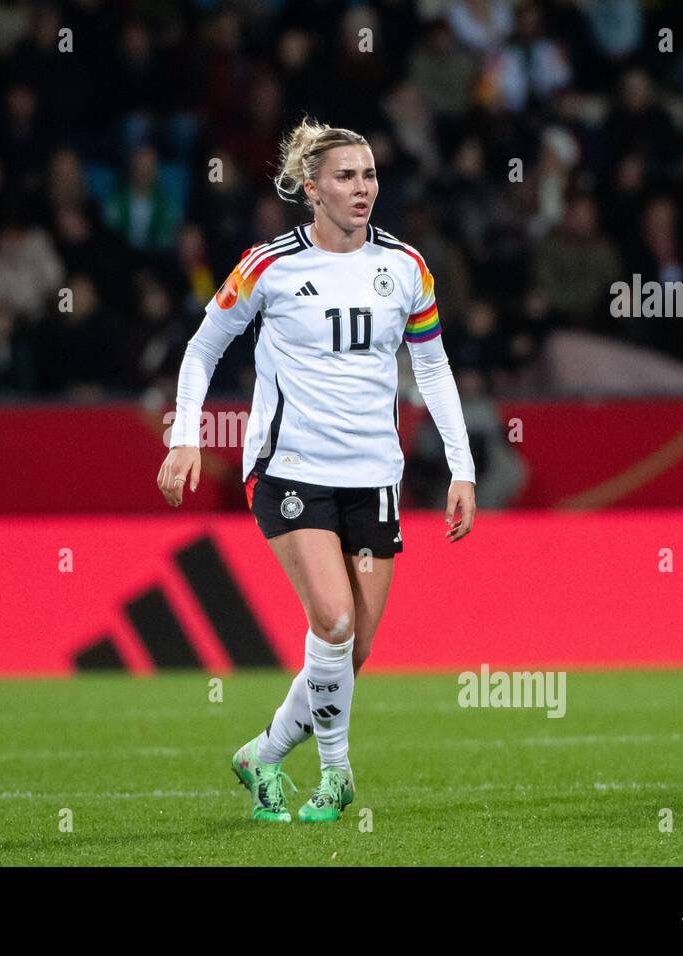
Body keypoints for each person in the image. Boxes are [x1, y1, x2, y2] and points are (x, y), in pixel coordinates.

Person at [156, 119, 477, 822]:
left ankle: (264, 754)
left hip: (375, 477)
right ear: (311, 188)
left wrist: (462, 467)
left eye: (368, 175)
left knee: (352, 651)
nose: (362, 188)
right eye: (345, 176)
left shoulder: (406, 267)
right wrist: (185, 435)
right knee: (331, 622)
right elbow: (204, 347)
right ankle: (337, 776)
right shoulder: (268, 265)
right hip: (290, 469)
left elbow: (432, 364)